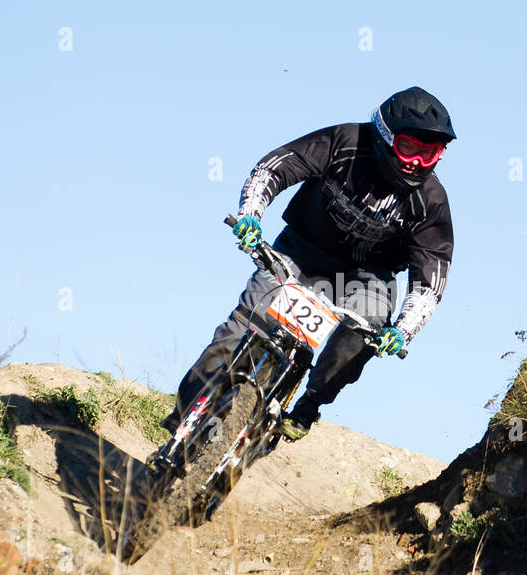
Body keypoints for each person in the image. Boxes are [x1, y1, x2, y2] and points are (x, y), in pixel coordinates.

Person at [161, 85, 456, 442]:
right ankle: (182, 417)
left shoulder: (431, 201)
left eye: (428, 154)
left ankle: (309, 403)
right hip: (300, 253)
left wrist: (404, 329)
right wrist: (251, 215)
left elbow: (431, 277)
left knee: (365, 336)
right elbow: (276, 167)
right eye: (408, 147)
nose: (414, 162)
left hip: (365, 278)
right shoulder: (346, 142)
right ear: (384, 135)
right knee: (236, 334)